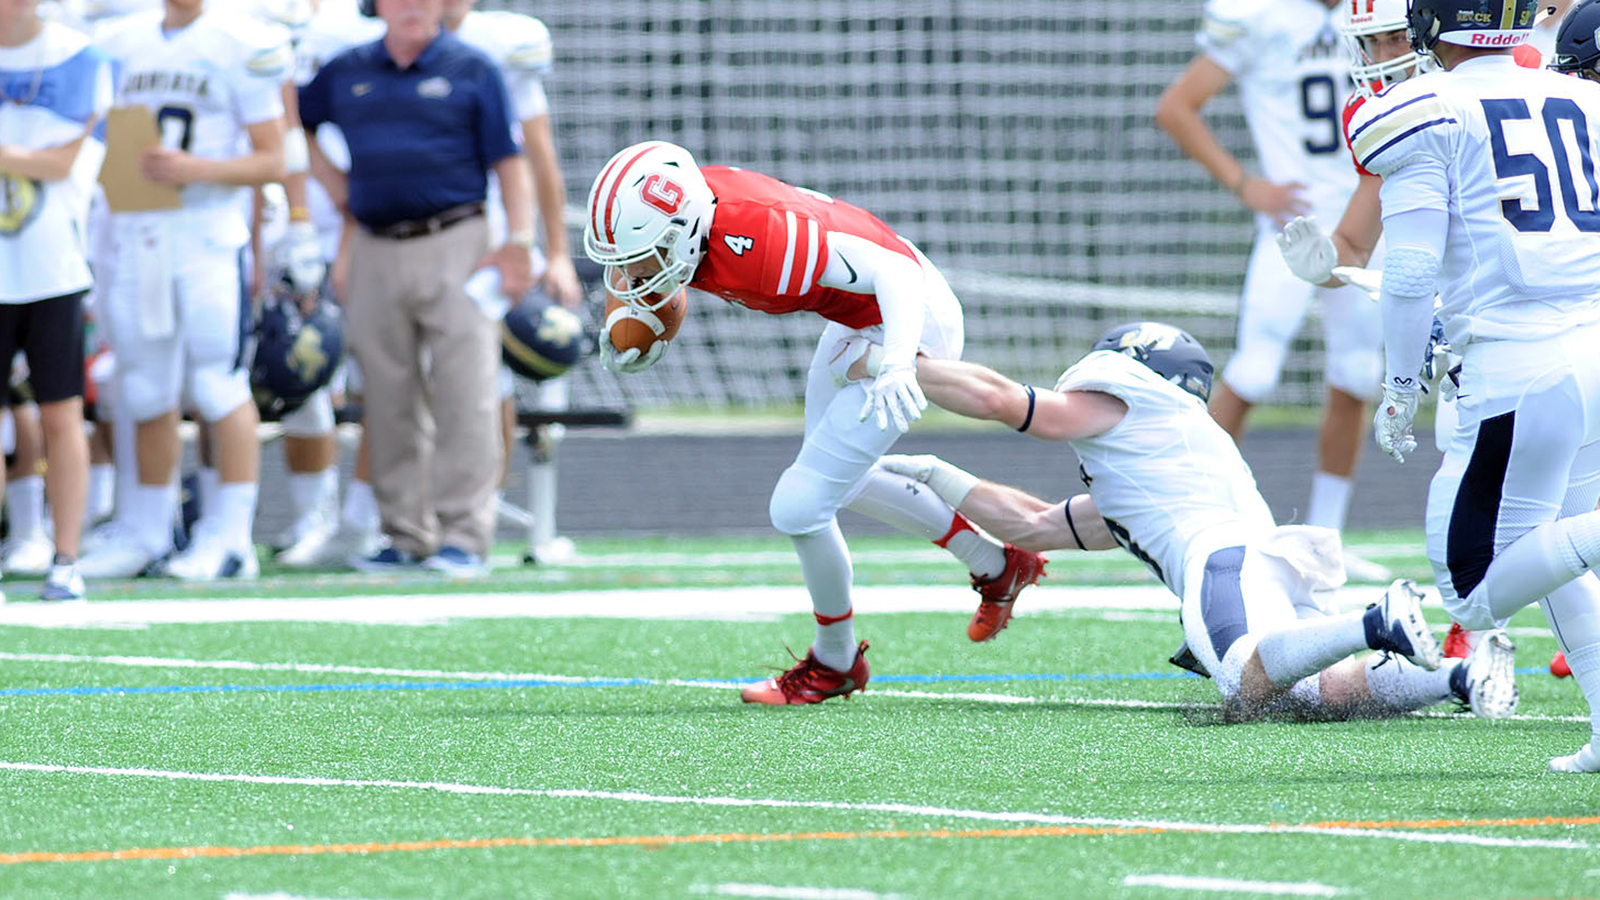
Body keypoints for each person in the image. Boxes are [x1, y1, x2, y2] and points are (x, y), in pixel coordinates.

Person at [842, 322, 1518, 722]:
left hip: (1222, 558)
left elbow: (999, 399)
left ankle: (1376, 622)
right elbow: (1036, 525)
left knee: (1240, 681)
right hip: (1271, 561)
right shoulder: (1155, 464)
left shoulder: (1128, 405)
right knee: (1303, 697)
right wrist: (936, 475)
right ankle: (1457, 677)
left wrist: (902, 363)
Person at [583, 140, 1048, 705]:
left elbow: (896, 272)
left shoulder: (763, 240)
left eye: (640, 258)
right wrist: (637, 315)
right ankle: (997, 565)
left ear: (680, 232)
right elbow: (667, 273)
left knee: (799, 504)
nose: (630, 274)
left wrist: (899, 361)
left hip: (907, 317)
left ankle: (835, 660)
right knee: (835, 482)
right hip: (858, 317)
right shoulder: (691, 214)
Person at [1352, 0, 1600, 772]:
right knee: (1552, 546)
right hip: (1590, 344)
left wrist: (1399, 382)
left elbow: (1415, 266)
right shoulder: (1583, 96)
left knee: (1471, 590)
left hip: (1522, 368)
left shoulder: (1426, 110)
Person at [1154, 0, 1388, 582]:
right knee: (1254, 369)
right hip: (1296, 225)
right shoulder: (1260, 15)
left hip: (1363, 217)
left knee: (1357, 374)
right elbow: (1177, 107)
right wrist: (1245, 183)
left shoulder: (1381, 15)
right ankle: (1184, 525)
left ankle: (1327, 539)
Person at [298, 0, 534, 576]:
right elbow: (293, 115)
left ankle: (464, 535)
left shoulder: (473, 67)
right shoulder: (347, 68)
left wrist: (520, 240)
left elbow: (510, 160)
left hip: (456, 237)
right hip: (376, 242)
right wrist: (334, 187)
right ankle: (405, 533)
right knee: (386, 391)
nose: (413, 6)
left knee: (466, 389)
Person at [78, 0, 289, 581]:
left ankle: (230, 536)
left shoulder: (241, 39)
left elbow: (275, 157)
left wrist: (198, 169)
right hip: (140, 233)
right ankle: (146, 530)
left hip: (207, 238)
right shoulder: (122, 40)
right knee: (143, 385)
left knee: (217, 384)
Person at [0, 0, 109, 599]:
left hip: (52, 264)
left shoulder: (77, 55)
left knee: (62, 411)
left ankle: (66, 556)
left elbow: (62, 161)